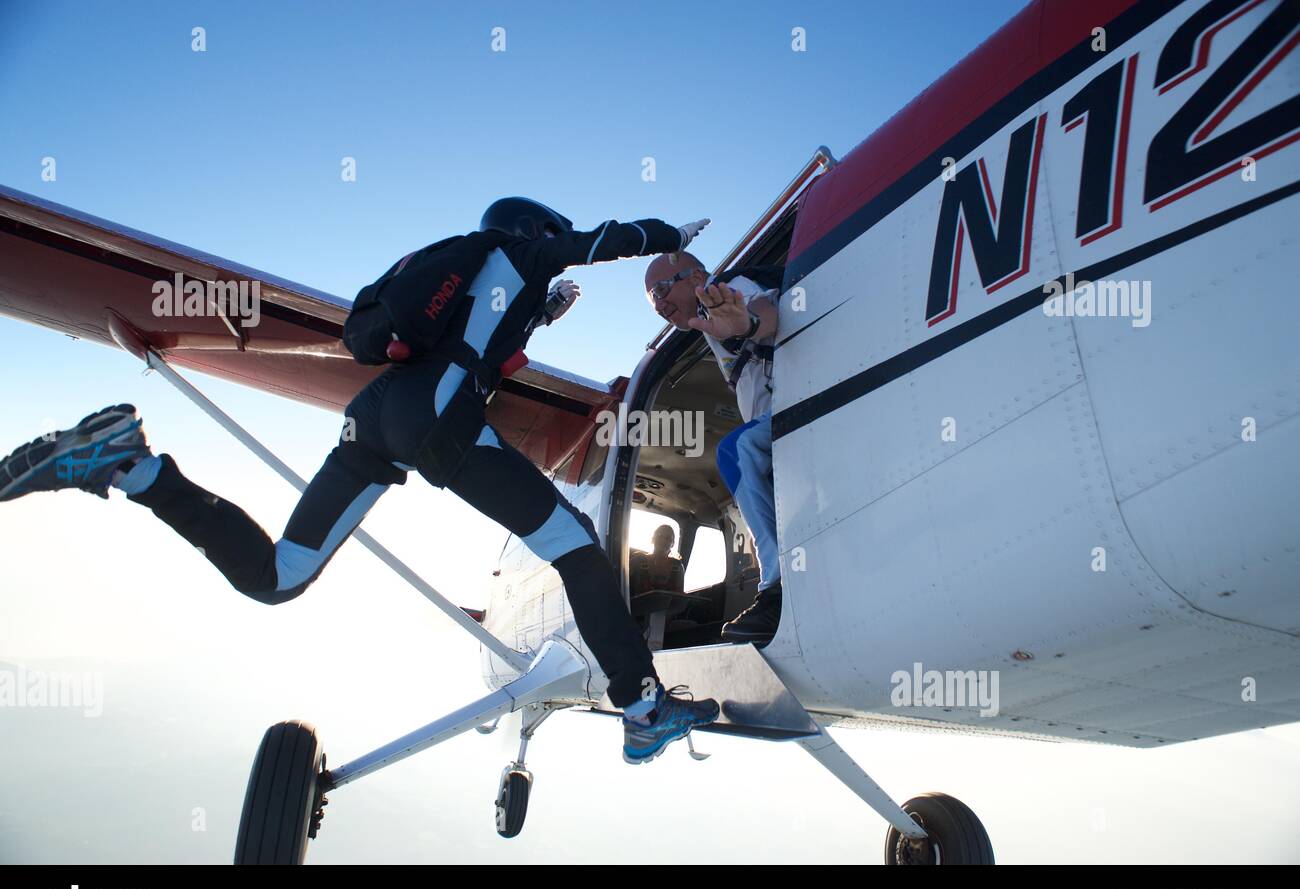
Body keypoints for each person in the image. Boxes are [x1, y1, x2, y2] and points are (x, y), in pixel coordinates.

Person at [0, 198, 720, 765]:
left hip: (377, 414)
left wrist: (538, 314)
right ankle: (644, 707)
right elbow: (588, 245)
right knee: (575, 543)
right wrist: (664, 234)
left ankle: (132, 466)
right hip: (438, 414)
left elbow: (489, 339)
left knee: (278, 575)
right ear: (532, 229)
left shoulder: (465, 274)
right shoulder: (519, 250)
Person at [643, 251, 782, 642]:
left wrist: (747, 324)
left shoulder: (725, 291)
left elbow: (764, 309)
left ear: (697, 276)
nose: (659, 304)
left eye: (662, 288)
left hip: (787, 412)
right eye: (651, 298)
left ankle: (776, 591)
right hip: (778, 423)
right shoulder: (709, 322)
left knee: (735, 451)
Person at [632, 523, 686, 594]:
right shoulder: (638, 560)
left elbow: (679, 597)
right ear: (653, 539)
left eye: (668, 538)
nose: (663, 541)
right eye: (659, 536)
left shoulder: (678, 567)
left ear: (672, 543)